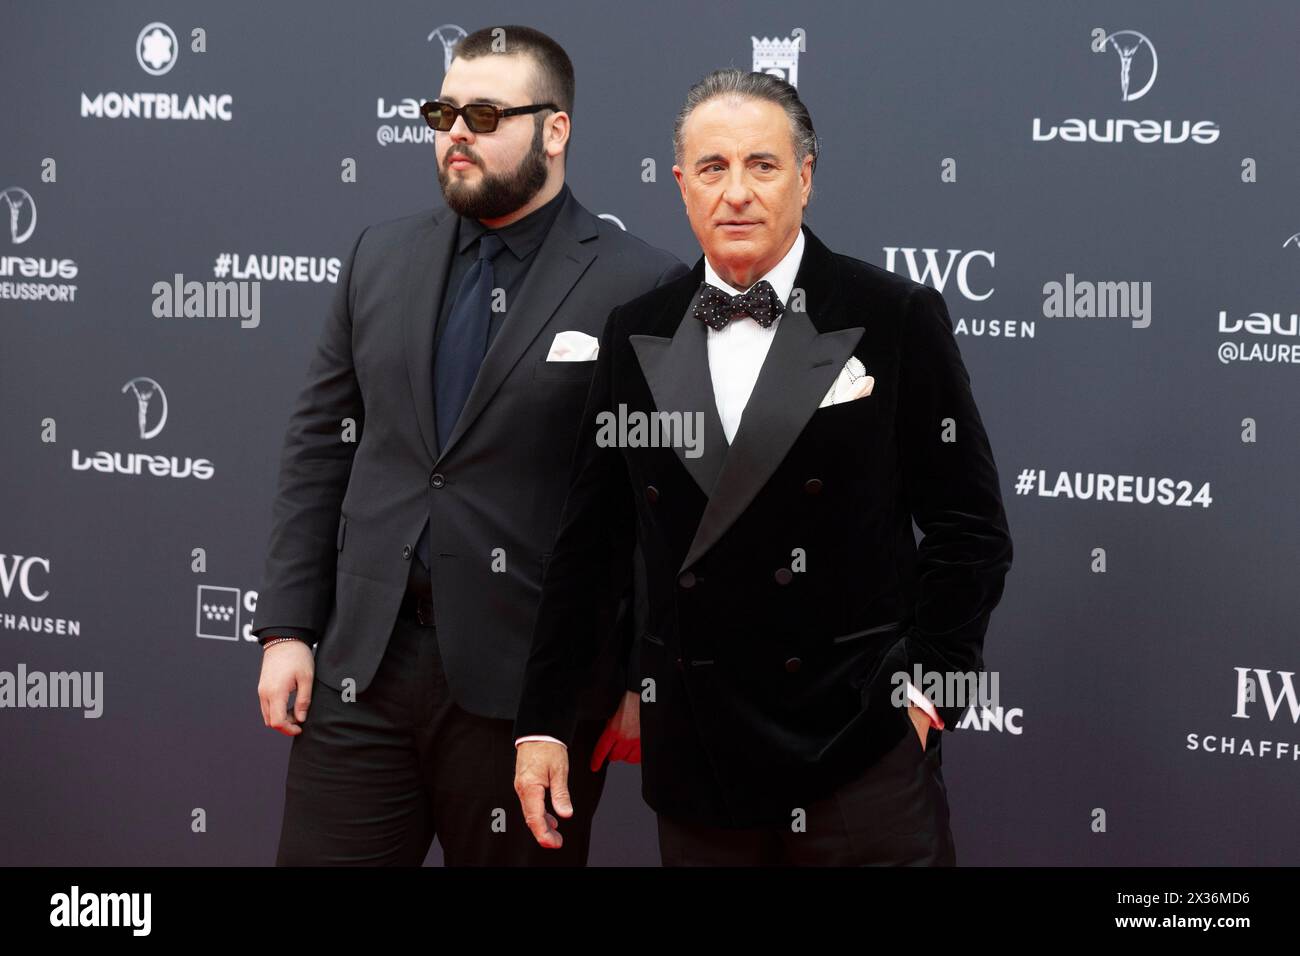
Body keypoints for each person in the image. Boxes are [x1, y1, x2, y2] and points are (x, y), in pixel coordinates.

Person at [513, 68, 1013, 865]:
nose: (736, 192)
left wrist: (923, 697)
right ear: (681, 186)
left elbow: (970, 530)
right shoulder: (636, 332)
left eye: (763, 165)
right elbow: (589, 548)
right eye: (713, 168)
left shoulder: (891, 315)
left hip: (858, 751)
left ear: (805, 178)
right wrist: (543, 721)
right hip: (700, 763)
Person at [254, 24, 688, 866]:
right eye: (443, 110)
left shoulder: (641, 283)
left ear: (554, 129)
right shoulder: (379, 256)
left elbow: (656, 507)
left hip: (532, 691)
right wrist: (286, 629)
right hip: (363, 669)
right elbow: (319, 449)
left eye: (485, 114)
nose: (457, 130)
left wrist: (643, 674)